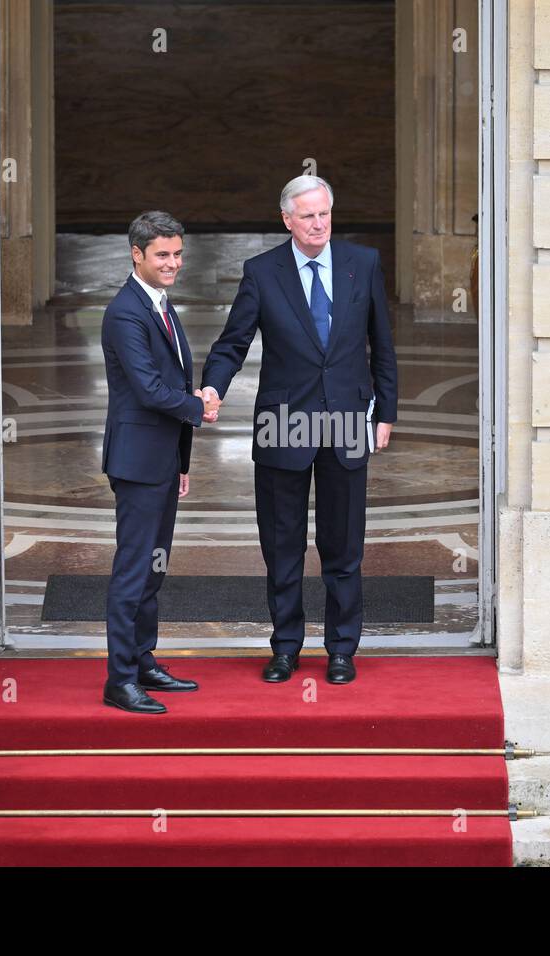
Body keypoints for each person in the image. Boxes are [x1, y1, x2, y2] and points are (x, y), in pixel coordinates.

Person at [201, 176, 398, 685]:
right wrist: (213, 388)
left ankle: (341, 650)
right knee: (283, 544)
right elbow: (233, 342)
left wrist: (386, 412)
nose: (319, 224)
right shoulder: (261, 272)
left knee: (343, 545)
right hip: (282, 422)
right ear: (286, 219)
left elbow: (383, 344)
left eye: (325, 214)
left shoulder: (364, 263)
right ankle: (286, 647)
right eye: (308, 216)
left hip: (349, 420)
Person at [99, 211, 210, 714]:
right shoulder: (126, 312)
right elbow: (148, 389)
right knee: (132, 570)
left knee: (153, 570)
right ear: (136, 254)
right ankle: (119, 679)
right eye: (162, 255)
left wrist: (181, 459)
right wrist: (198, 407)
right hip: (138, 463)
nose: (173, 263)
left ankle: (144, 660)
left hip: (162, 459)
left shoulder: (159, 304)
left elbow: (173, 376)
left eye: (177, 254)